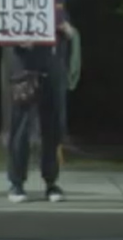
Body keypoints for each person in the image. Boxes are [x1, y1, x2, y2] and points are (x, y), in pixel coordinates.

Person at [6, 19, 76, 203]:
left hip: (52, 67)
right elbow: (3, 25)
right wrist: (15, 39)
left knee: (52, 129)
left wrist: (68, 32)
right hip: (24, 67)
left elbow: (68, 31)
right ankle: (17, 183)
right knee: (21, 128)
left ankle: (51, 182)